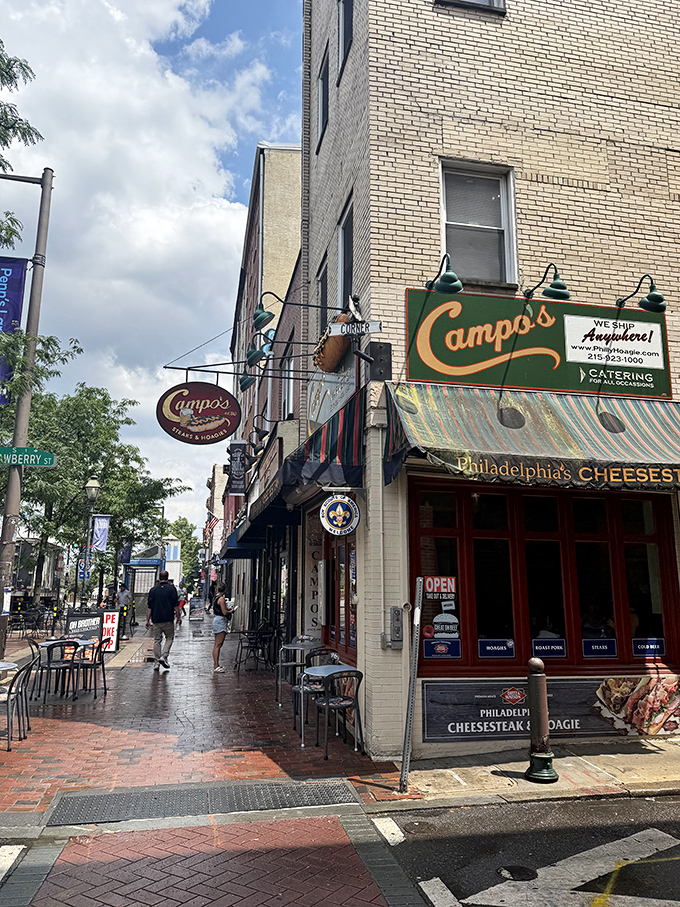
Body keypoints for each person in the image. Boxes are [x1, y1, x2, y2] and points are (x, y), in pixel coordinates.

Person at [146, 570, 180, 671]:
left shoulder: (153, 590)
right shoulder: (171, 589)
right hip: (168, 618)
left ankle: (156, 662)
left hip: (156, 619)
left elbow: (149, 607)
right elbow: (176, 605)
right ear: (167, 577)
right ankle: (164, 656)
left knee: (157, 640)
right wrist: (178, 617)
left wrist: (147, 620)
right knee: (169, 637)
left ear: (159, 577)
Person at [212, 583, 232, 673]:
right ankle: (216, 665)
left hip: (216, 619)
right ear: (225, 590)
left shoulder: (215, 597)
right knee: (218, 645)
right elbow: (224, 612)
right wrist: (231, 611)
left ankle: (216, 665)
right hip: (221, 621)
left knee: (216, 644)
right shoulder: (221, 599)